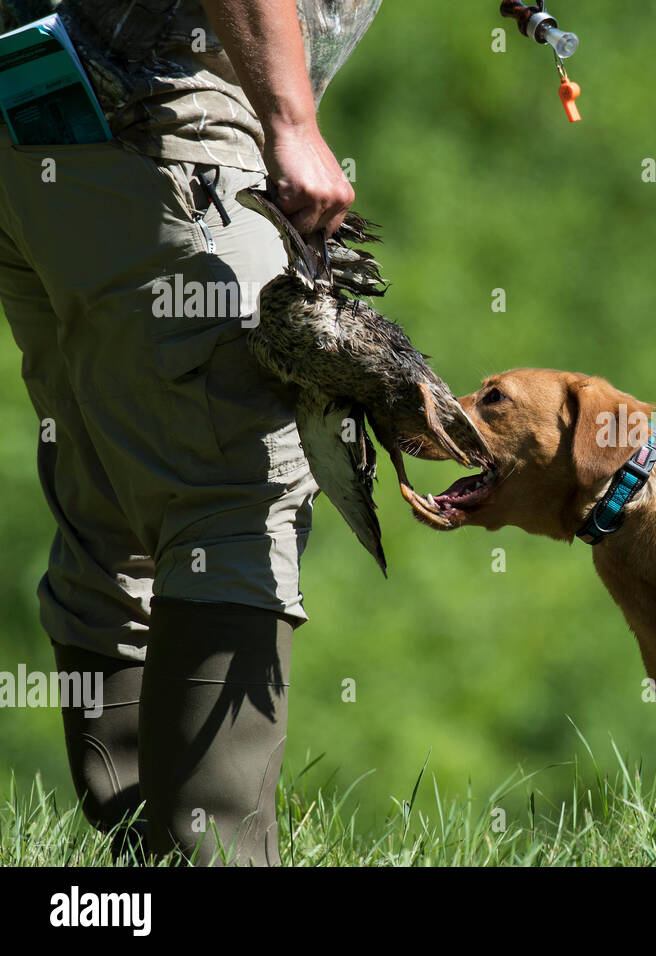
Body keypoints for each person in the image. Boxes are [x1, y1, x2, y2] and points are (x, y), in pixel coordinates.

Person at [0, 0, 365, 865]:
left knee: (111, 497)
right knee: (235, 494)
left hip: (36, 125)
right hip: (154, 134)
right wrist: (293, 120)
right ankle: (214, 858)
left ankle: (133, 874)